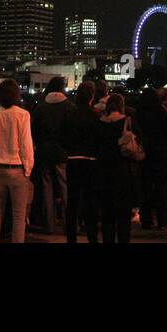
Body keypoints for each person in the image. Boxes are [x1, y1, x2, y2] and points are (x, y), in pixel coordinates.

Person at [0, 78, 33, 244]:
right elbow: (26, 145)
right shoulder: (23, 115)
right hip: (17, 169)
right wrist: (28, 168)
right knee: (18, 215)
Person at [31, 76, 74, 234]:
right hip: (62, 152)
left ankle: (49, 225)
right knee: (64, 188)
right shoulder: (69, 106)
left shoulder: (41, 107)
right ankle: (68, 224)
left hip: (44, 151)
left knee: (47, 188)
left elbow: (34, 130)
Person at [94, 92, 135, 243]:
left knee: (107, 215)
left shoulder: (100, 124)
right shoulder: (126, 122)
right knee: (124, 215)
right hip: (123, 171)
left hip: (104, 172)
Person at [64, 81, 100, 243]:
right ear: (92, 96)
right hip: (90, 160)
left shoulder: (70, 114)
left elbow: (62, 136)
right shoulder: (95, 115)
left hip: (72, 159)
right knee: (90, 201)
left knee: (72, 201)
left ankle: (71, 237)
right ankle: (92, 236)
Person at [135, 87, 167, 230]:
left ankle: (146, 219)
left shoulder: (139, 113)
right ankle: (162, 219)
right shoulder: (161, 111)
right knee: (161, 187)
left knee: (145, 187)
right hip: (159, 153)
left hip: (144, 154)